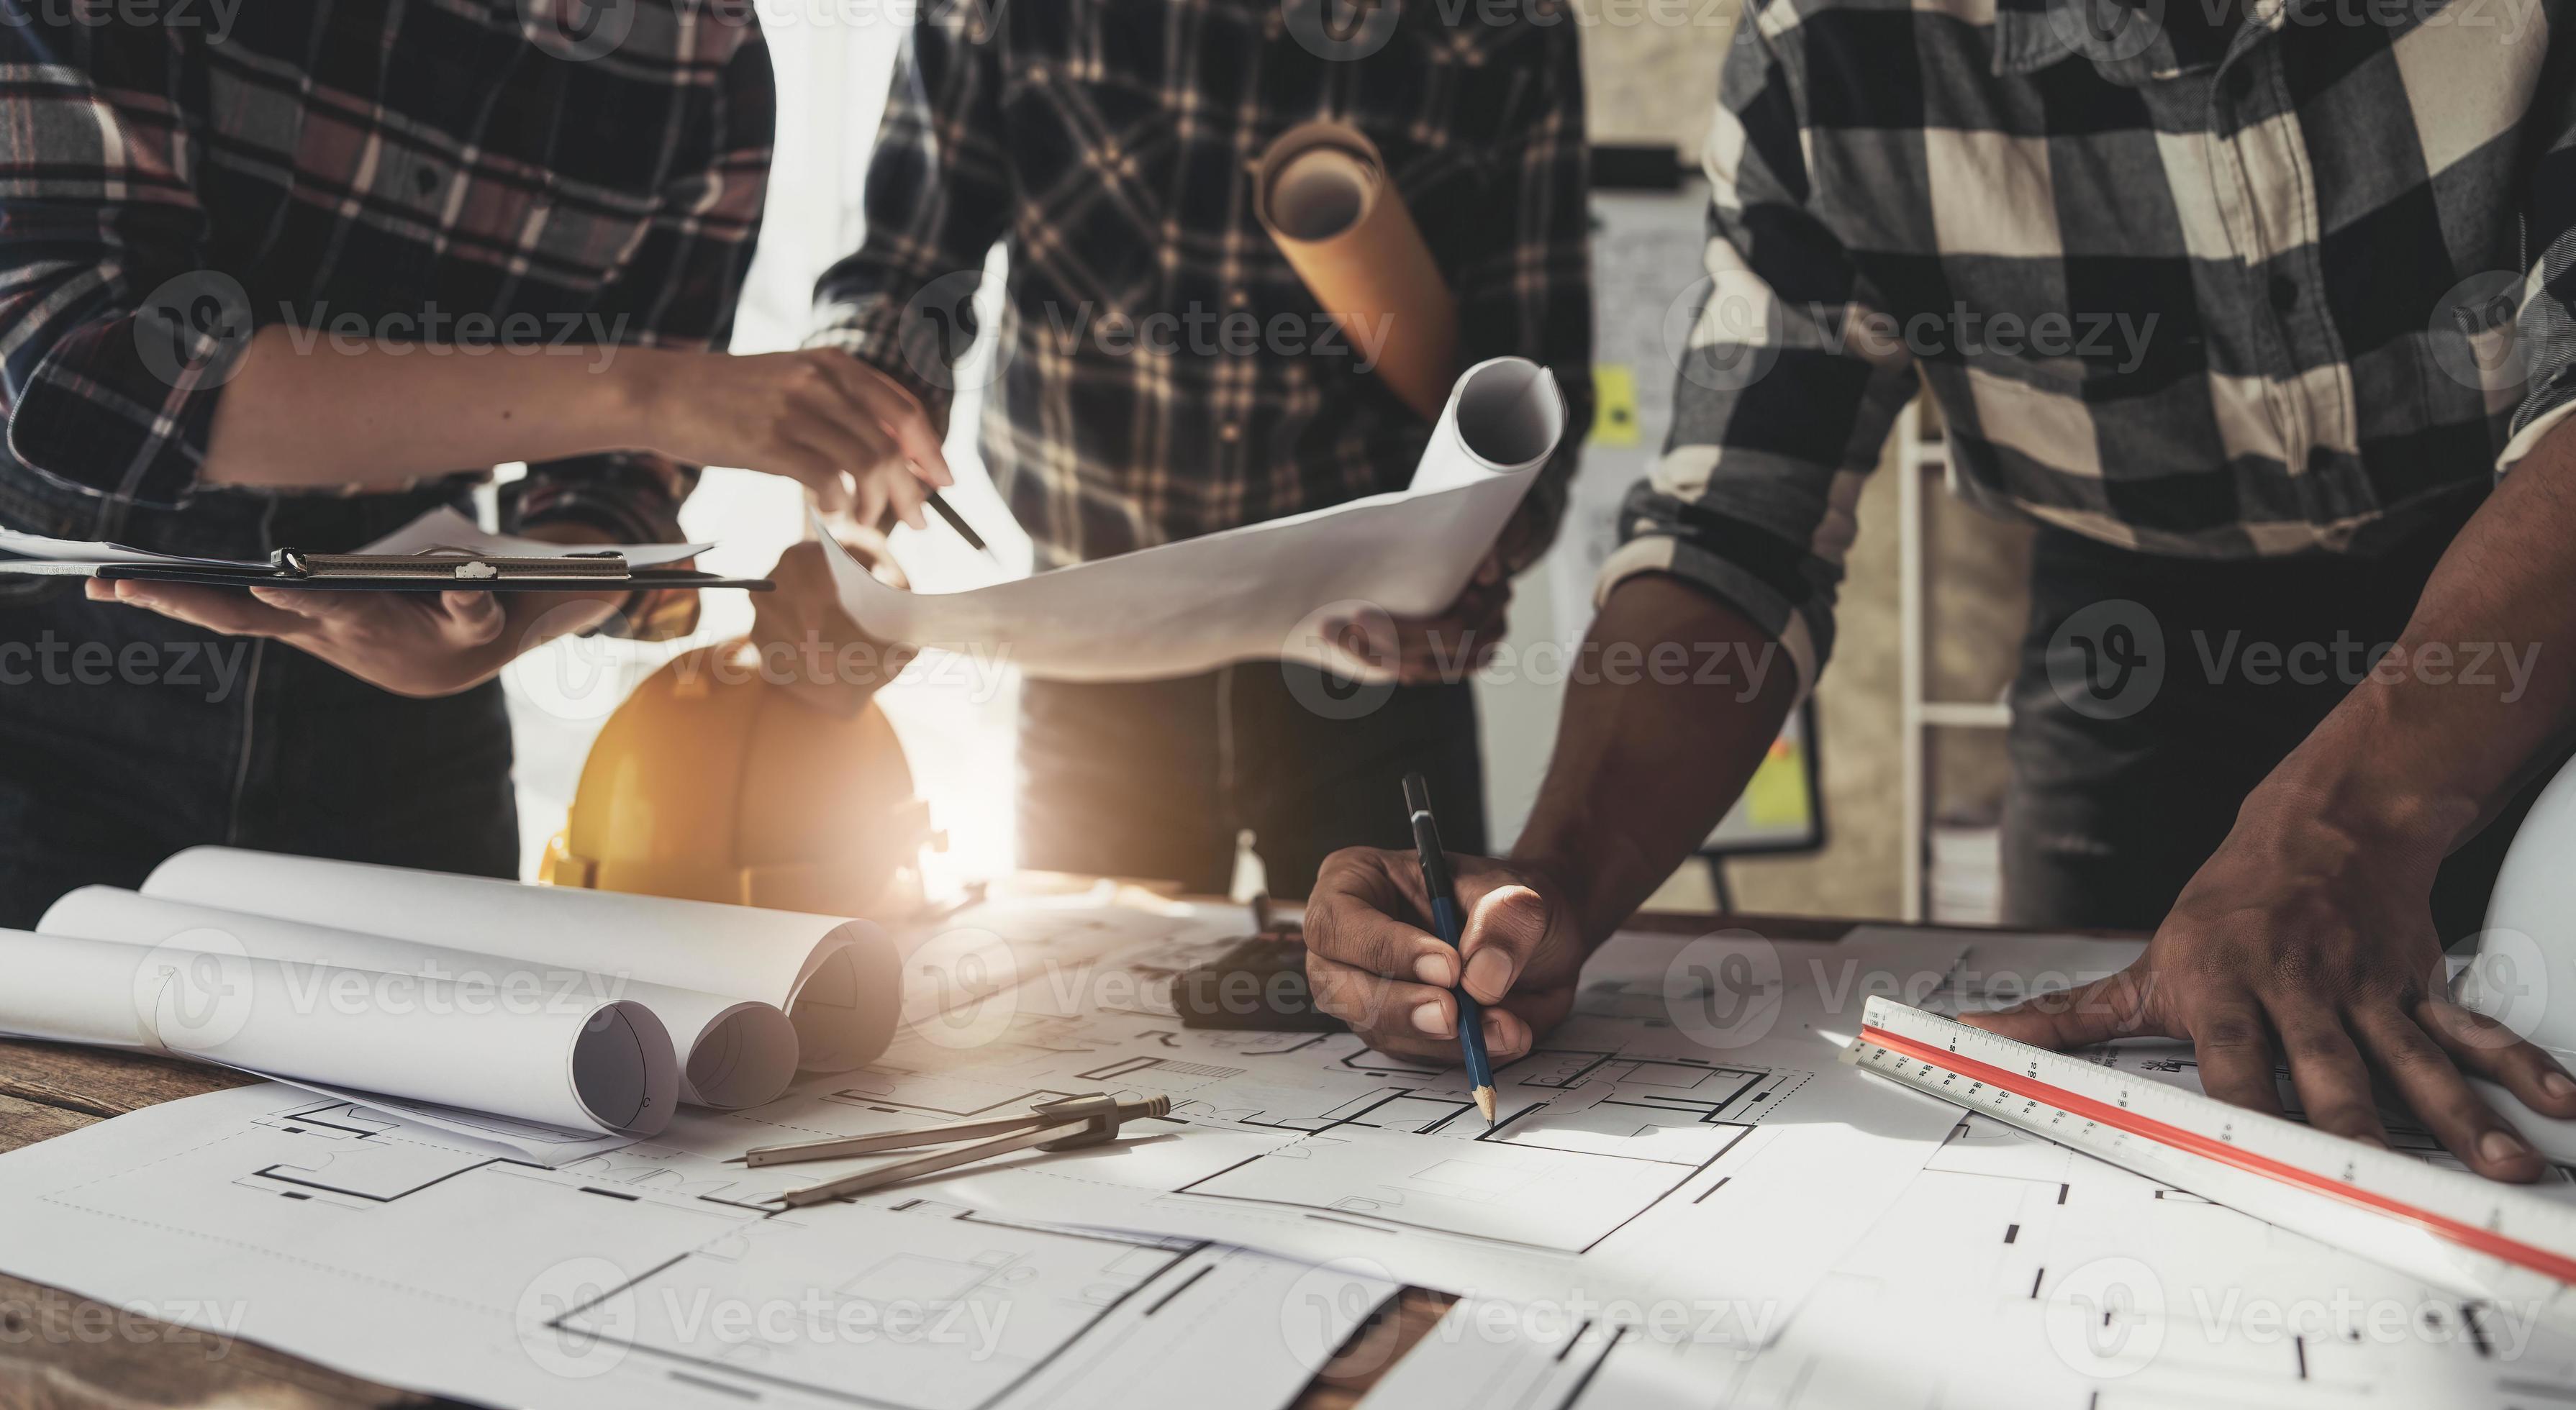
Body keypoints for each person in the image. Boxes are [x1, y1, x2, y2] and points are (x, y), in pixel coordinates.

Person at [1302, 0, 2576, 1181]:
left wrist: (2348, 820)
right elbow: (1733, 529)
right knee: (2113, 1143)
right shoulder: (1825, 55)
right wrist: (1557, 877)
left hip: (2521, 592)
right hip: (2135, 640)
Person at [0, 1, 945, 925]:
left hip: (414, 696)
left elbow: (616, 482)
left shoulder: (706, 44)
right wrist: (647, 391)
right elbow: (89, 381)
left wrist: (515, 617)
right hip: (52, 682)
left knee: (444, 1072)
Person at [807, 0, 1593, 895]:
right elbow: (904, 269)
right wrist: (847, 425)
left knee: (1409, 1005)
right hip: (1094, 642)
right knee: (1082, 1013)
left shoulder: (1507, 25)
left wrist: (1488, 547)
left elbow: (1535, 371)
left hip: (1380, 664)